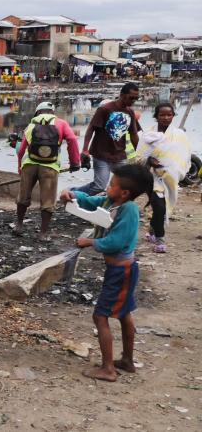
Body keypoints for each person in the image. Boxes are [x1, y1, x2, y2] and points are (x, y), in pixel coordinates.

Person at [59, 163, 152, 382]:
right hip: (121, 270)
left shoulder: (128, 211)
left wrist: (91, 242)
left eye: (111, 185)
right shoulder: (111, 201)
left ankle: (108, 369)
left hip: (121, 271)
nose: (107, 188)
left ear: (125, 192)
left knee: (100, 316)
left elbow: (116, 242)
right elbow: (91, 202)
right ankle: (127, 360)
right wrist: (73, 194)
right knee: (124, 313)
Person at [14, 102, 81, 240]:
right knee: (48, 200)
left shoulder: (31, 125)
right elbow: (72, 140)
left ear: (38, 112)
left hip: (29, 165)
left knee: (23, 196)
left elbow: (21, 151)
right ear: (52, 112)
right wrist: (75, 162)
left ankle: (19, 225)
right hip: (50, 166)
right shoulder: (61, 123)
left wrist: (20, 167)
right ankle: (43, 233)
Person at [135, 103, 190, 253]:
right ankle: (160, 239)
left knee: (161, 208)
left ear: (173, 116)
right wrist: (149, 161)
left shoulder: (180, 135)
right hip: (151, 177)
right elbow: (138, 158)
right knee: (159, 206)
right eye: (162, 115)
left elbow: (184, 156)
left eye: (169, 115)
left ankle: (153, 229)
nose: (166, 118)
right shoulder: (147, 135)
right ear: (156, 116)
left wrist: (177, 170)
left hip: (170, 177)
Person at [76, 83, 141, 195]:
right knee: (99, 186)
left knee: (126, 183)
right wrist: (85, 149)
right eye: (131, 98)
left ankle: (111, 201)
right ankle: (73, 193)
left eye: (136, 98)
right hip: (102, 155)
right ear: (122, 95)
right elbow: (91, 129)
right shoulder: (105, 109)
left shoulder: (130, 112)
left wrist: (137, 153)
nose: (133, 101)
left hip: (120, 155)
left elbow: (134, 134)